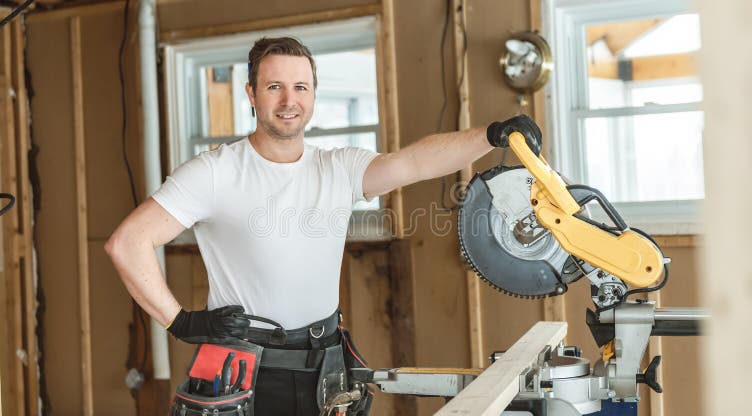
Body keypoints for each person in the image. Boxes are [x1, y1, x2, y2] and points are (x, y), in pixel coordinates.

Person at [105, 36, 539, 416]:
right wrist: (181, 322)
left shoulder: (339, 167)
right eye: (274, 87)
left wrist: (493, 135)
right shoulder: (215, 172)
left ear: (313, 95)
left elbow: (414, 162)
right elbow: (128, 243)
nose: (288, 100)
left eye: (300, 87)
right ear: (251, 94)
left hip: (327, 363)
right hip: (246, 370)